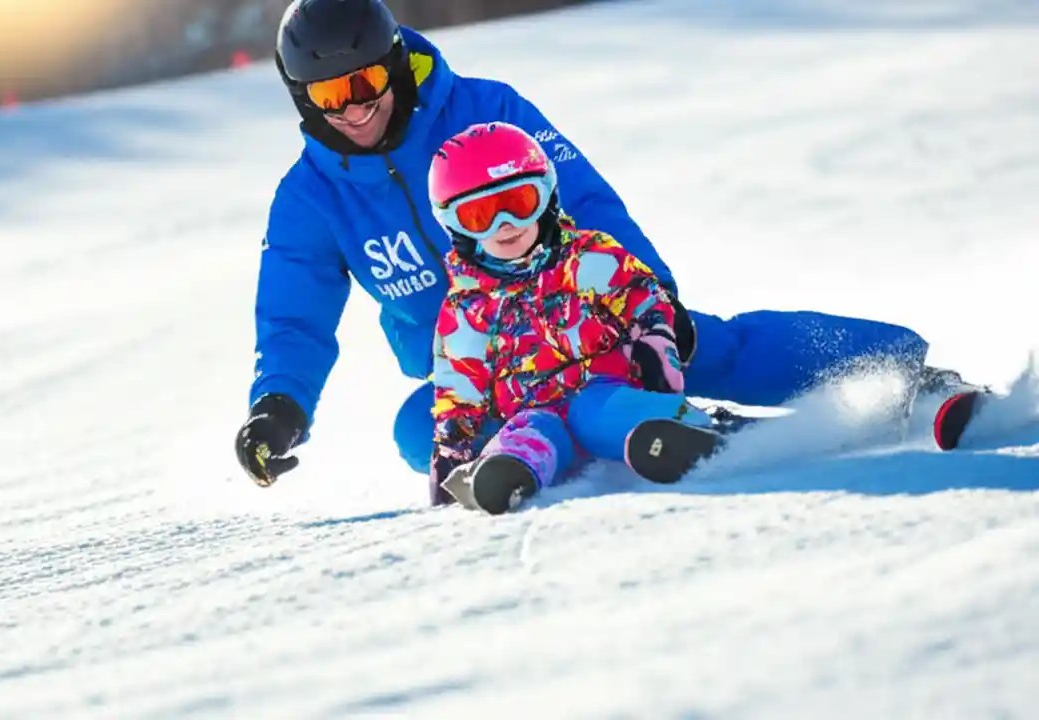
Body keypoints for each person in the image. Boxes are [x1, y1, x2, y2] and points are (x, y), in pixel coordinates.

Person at [233, 0, 937, 491]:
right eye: (329, 94)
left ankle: (894, 368)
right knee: (421, 431)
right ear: (303, 98)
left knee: (701, 349)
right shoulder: (310, 197)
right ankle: (644, 442)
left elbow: (588, 201)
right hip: (486, 373)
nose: (354, 107)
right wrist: (279, 407)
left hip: (583, 312)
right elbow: (294, 312)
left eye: (365, 82)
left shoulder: (484, 111)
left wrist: (652, 305)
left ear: (392, 64)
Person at [427, 121, 714, 513]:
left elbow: (643, 298)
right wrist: (451, 444)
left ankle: (686, 432)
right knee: (526, 434)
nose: (505, 224)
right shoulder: (464, 309)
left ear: (545, 198)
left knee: (599, 414)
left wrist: (656, 341)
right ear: (454, 225)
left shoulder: (585, 258)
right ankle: (506, 476)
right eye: (481, 215)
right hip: (532, 410)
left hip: (602, 385)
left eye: (519, 203)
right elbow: (459, 384)